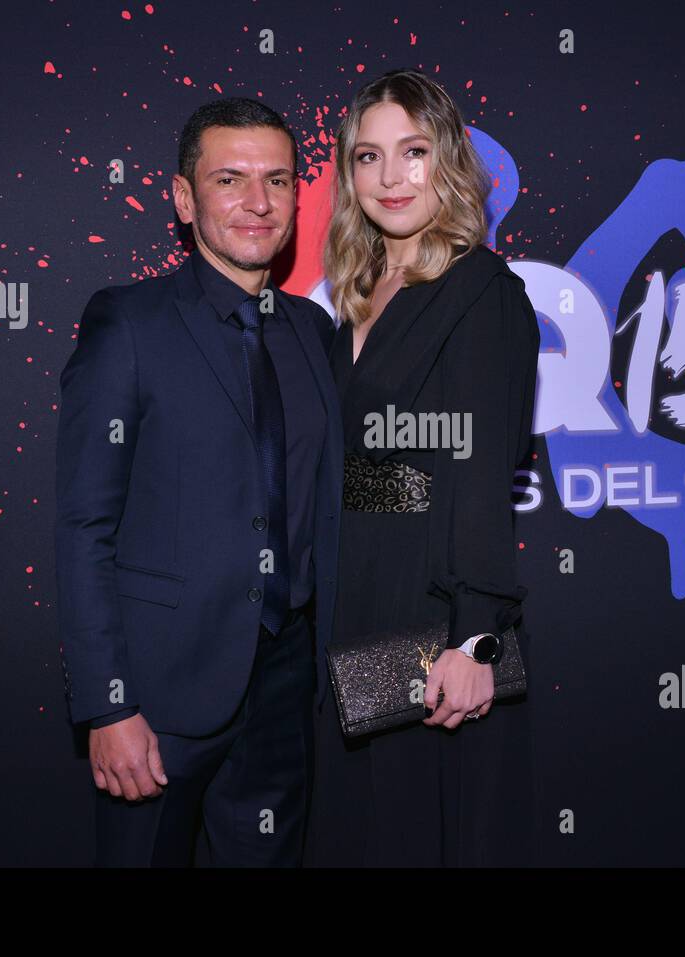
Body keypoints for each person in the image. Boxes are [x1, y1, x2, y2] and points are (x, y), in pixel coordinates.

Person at [54, 97, 343, 866]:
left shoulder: (314, 332)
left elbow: (339, 490)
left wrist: (452, 516)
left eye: (278, 180)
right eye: (230, 179)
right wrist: (108, 703)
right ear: (184, 199)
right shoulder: (129, 324)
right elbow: (86, 526)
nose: (258, 202)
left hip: (286, 687)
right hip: (158, 698)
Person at [304, 69, 541, 867]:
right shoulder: (361, 291)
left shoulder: (481, 289)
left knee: (420, 828)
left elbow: (479, 472)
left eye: (412, 152)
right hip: (353, 597)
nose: (390, 177)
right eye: (368, 157)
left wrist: (474, 638)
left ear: (448, 162)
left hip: (431, 611)